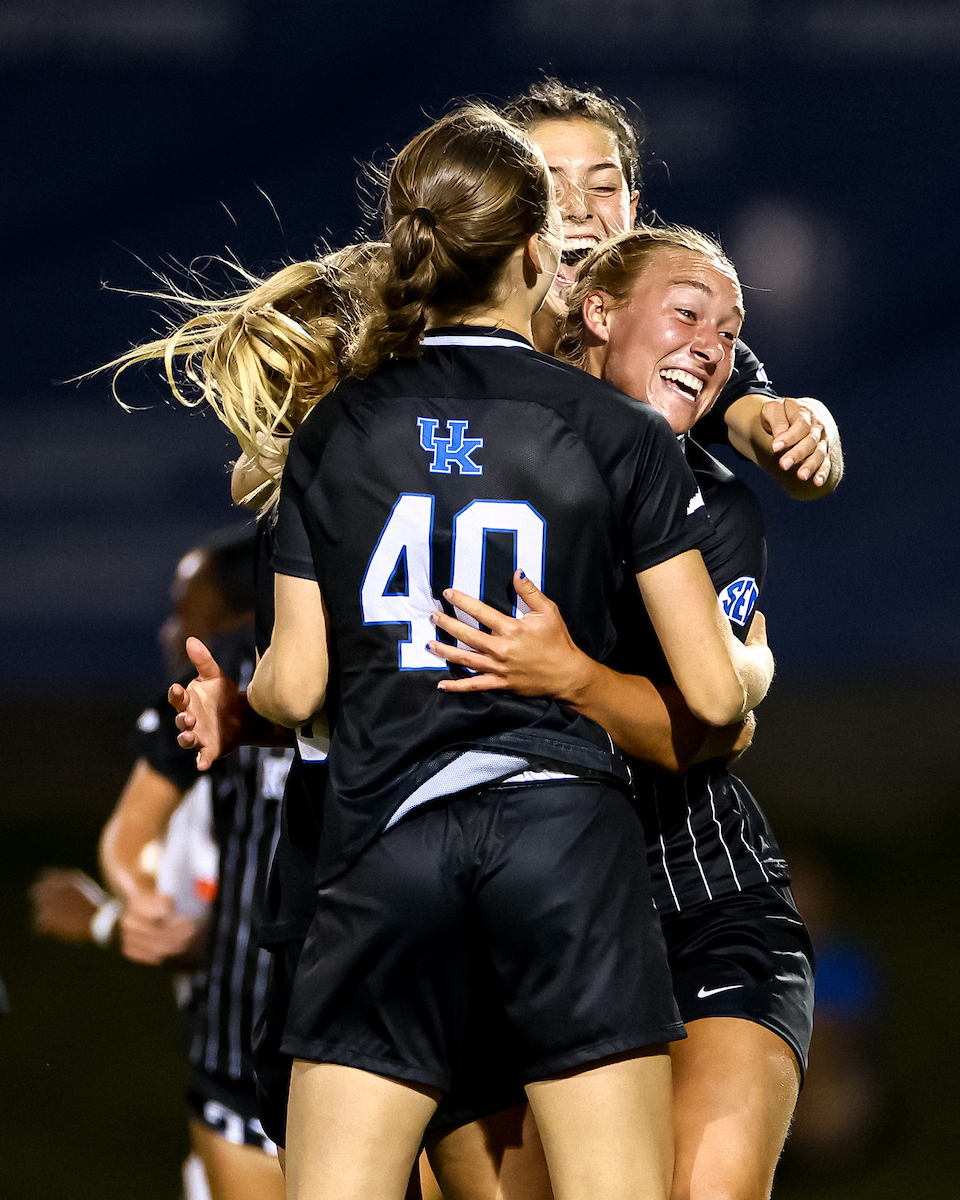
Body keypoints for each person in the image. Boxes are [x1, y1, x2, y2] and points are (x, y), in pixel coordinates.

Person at [230, 103, 776, 1200]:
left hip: (384, 837)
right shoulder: (611, 432)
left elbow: (291, 686)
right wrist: (744, 660)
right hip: (562, 840)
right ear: (540, 253)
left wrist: (243, 691)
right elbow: (713, 698)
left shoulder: (337, 425)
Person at [425, 227, 819, 1200]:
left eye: (728, 334)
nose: (710, 347)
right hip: (506, 914)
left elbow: (710, 729)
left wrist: (574, 674)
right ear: (590, 311)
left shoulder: (715, 506)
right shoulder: (468, 456)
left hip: (698, 893)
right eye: (688, 317)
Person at [503, 79, 843, 502]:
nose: (578, 207)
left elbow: (780, 442)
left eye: (604, 187)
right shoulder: (439, 336)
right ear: (501, 208)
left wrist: (812, 424)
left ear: (632, 209)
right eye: (550, 188)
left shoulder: (677, 344)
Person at [96, 528, 291, 1200]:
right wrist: (138, 894)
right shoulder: (222, 673)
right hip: (237, 1046)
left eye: (192, 615)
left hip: (373, 1036)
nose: (173, 632)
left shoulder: (393, 658)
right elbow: (130, 831)